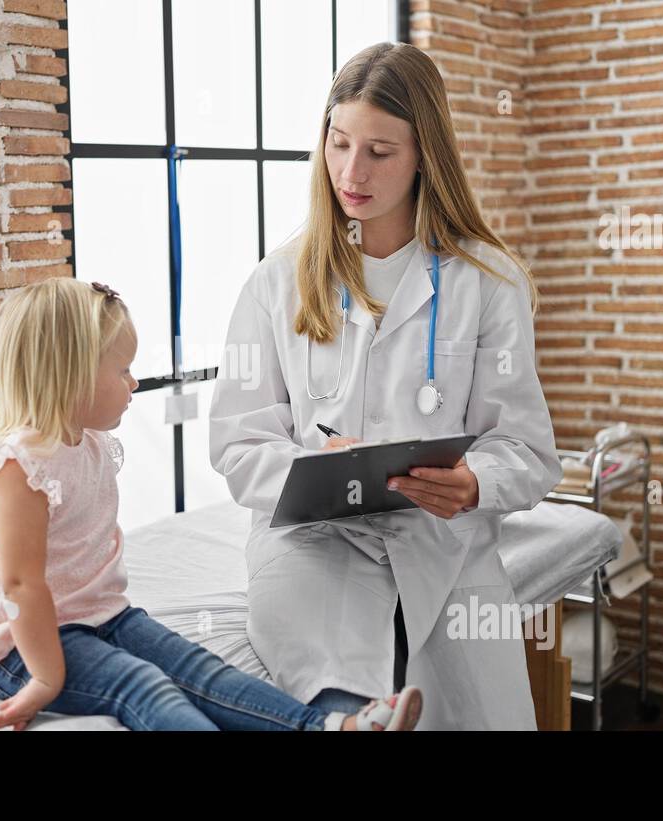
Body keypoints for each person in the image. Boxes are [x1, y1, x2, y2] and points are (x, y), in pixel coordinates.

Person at [208, 42, 563, 730]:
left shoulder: (488, 282)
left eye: (379, 150)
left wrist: (475, 483)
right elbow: (239, 441)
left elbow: (525, 447)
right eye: (338, 143)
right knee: (335, 682)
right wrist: (316, 470)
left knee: (485, 713)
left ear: (425, 153)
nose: (351, 171)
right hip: (314, 540)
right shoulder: (277, 281)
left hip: (443, 541)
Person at [0, 276, 423, 731]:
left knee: (200, 670)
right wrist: (45, 677)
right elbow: (21, 588)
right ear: (70, 375)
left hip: (104, 617)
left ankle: (326, 728)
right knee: (143, 685)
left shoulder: (91, 444)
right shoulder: (22, 469)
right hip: (27, 646)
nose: (134, 381)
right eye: (122, 371)